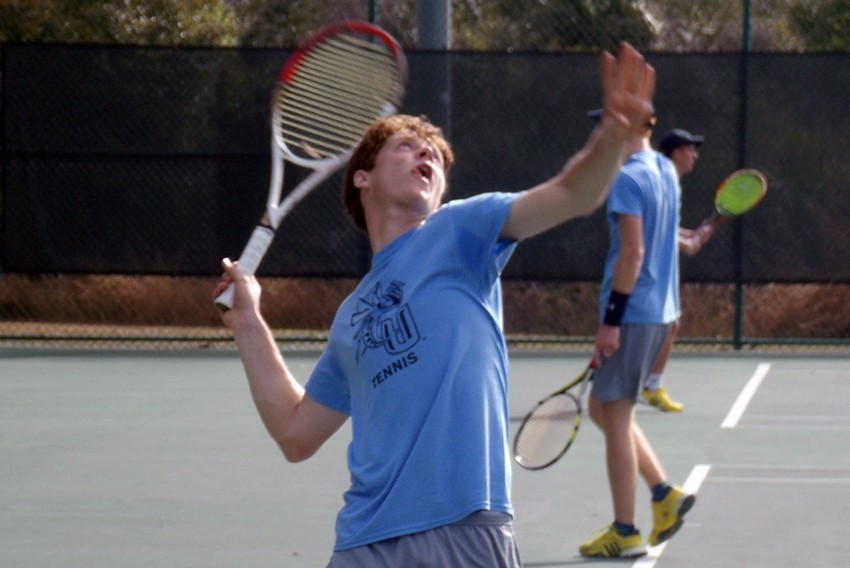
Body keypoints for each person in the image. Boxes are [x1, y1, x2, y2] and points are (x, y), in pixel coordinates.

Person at [214, 43, 656, 567]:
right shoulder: (351, 317)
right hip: (363, 541)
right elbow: (295, 432)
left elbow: (572, 194)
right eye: (407, 146)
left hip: (466, 532)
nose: (426, 155)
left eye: (435, 159)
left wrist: (610, 139)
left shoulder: (461, 231)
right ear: (363, 176)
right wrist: (247, 322)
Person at [578, 113, 696, 558]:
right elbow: (661, 236)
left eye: (607, 126)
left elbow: (634, 251)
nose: (600, 137)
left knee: (617, 417)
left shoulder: (627, 180)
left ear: (626, 129)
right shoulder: (665, 170)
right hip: (659, 313)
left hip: (632, 315)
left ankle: (625, 530)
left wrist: (611, 321)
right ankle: (663, 494)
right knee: (601, 407)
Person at [642, 128, 713, 412]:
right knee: (642, 329)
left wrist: (690, 234)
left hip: (662, 272)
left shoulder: (670, 182)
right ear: (678, 152)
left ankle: (651, 386)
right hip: (645, 272)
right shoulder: (660, 181)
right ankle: (638, 384)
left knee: (671, 325)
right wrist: (688, 245)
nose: (695, 156)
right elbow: (652, 228)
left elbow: (667, 226)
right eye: (691, 150)